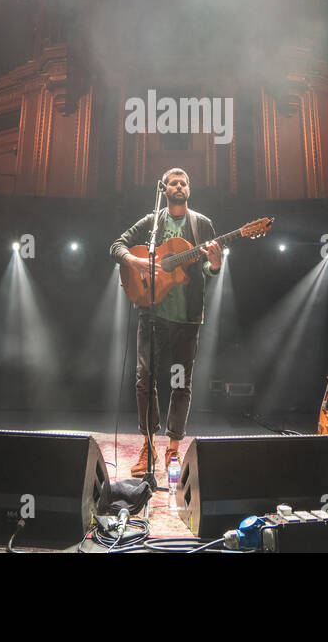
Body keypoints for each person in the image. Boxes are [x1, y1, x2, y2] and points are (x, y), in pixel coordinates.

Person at [109, 167, 221, 477]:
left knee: (179, 382)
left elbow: (211, 272)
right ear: (164, 188)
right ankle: (148, 444)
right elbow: (116, 246)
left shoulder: (203, 225)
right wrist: (137, 261)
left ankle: (173, 447)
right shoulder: (151, 222)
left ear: (189, 188)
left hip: (187, 317)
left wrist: (214, 265)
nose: (179, 186)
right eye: (173, 182)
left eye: (184, 182)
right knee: (145, 379)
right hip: (151, 312)